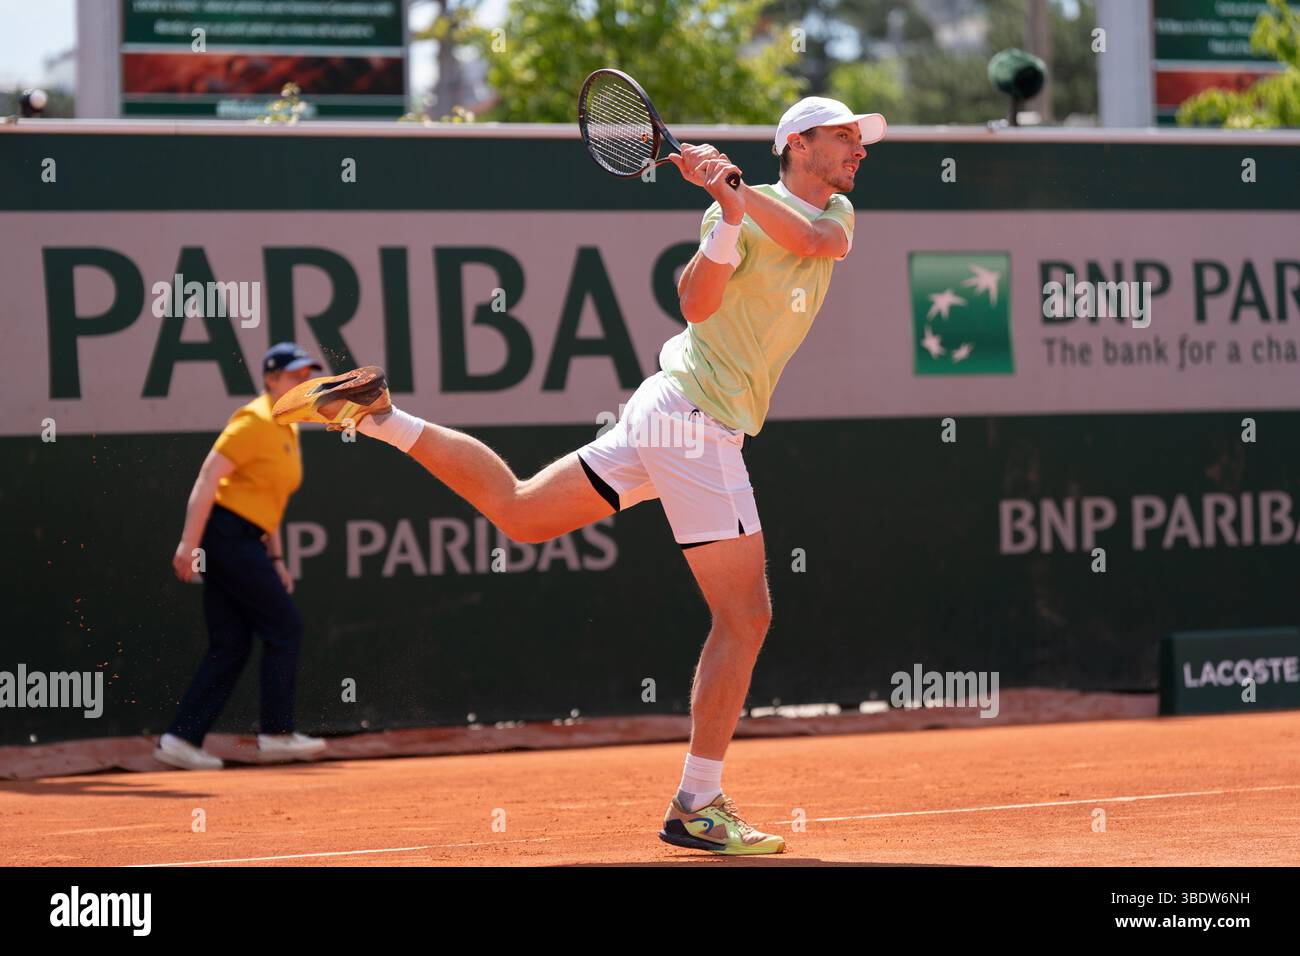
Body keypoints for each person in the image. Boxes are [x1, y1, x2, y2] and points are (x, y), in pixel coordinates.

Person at [273, 97, 886, 852]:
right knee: (746, 616)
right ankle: (697, 801)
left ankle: (376, 415)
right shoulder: (734, 212)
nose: (860, 148)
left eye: (862, 138)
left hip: (672, 415)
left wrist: (736, 194)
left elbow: (819, 242)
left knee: (523, 515)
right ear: (797, 143)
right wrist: (726, 216)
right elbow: (696, 304)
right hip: (691, 420)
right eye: (845, 136)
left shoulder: (837, 214)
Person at [156, 342, 330, 770]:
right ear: (271, 379)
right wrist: (188, 543)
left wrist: (276, 559)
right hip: (226, 536)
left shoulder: (287, 427)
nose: (303, 382)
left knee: (230, 644)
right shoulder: (253, 420)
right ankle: (276, 734)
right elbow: (208, 477)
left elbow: (267, 501)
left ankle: (180, 739)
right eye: (294, 375)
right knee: (285, 626)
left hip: (246, 538)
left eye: (307, 376)